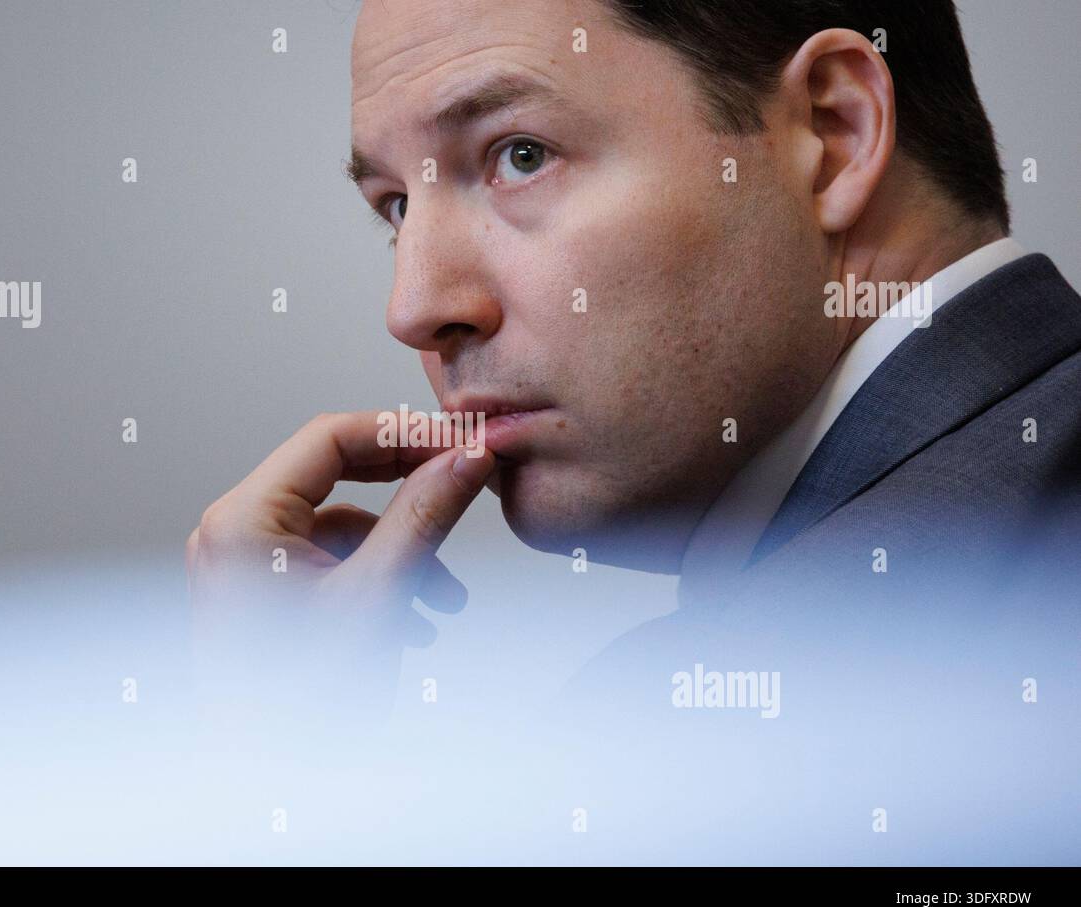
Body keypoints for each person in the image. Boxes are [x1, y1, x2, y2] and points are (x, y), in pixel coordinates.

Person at [186, 0, 1081, 723]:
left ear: (835, 133)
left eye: (519, 155)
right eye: (394, 207)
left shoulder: (732, 716)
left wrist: (272, 758)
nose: (414, 310)